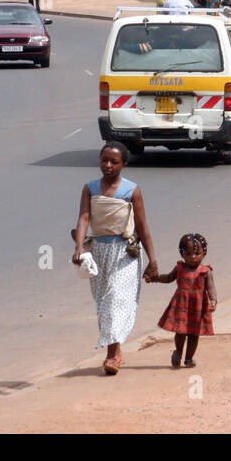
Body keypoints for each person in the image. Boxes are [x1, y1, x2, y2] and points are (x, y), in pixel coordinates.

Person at [71, 142, 160, 375]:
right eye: (104, 160)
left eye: (114, 161)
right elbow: (83, 219)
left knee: (116, 300)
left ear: (124, 164)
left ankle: (111, 356)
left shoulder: (132, 191)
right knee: (104, 303)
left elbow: (142, 226)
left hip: (125, 253)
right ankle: (117, 349)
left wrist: (153, 260)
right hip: (99, 252)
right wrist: (79, 247)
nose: (108, 165)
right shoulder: (90, 189)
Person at [151, 232, 217, 367]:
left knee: (194, 335)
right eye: (188, 254)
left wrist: (213, 301)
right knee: (180, 332)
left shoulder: (206, 271)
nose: (193, 257)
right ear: (182, 254)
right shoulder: (180, 267)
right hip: (181, 306)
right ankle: (178, 353)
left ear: (204, 253)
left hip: (198, 307)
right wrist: (156, 278)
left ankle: (189, 358)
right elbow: (169, 278)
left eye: (197, 254)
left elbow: (211, 288)